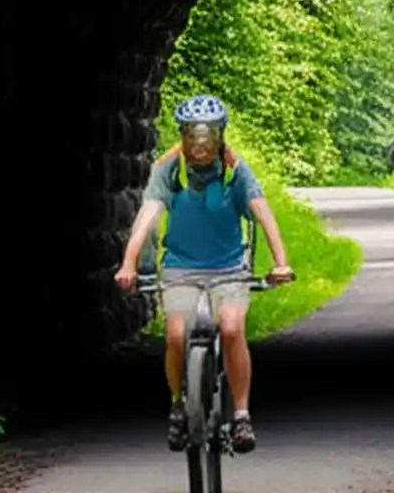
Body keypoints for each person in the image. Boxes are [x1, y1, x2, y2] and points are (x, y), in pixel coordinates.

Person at [115, 94, 295, 454]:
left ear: (219, 135)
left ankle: (241, 415)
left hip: (229, 270)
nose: (200, 143)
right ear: (182, 136)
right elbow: (146, 218)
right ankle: (178, 404)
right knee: (176, 335)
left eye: (208, 135)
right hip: (180, 269)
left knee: (231, 328)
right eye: (193, 135)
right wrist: (129, 263)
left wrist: (280, 262)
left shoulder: (235, 171)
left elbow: (263, 215)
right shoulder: (170, 171)